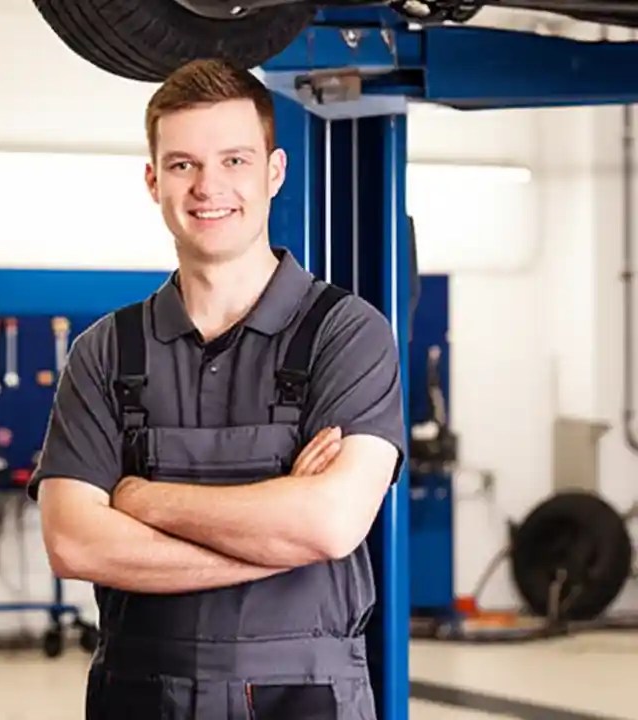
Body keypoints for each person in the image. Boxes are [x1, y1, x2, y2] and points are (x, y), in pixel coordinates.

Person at [28, 58, 406, 719]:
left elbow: (329, 521)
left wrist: (140, 497)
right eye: (183, 165)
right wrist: (276, 541)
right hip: (141, 694)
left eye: (234, 160)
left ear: (274, 172)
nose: (209, 187)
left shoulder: (345, 335)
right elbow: (75, 543)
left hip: (306, 697)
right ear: (153, 180)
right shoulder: (105, 353)